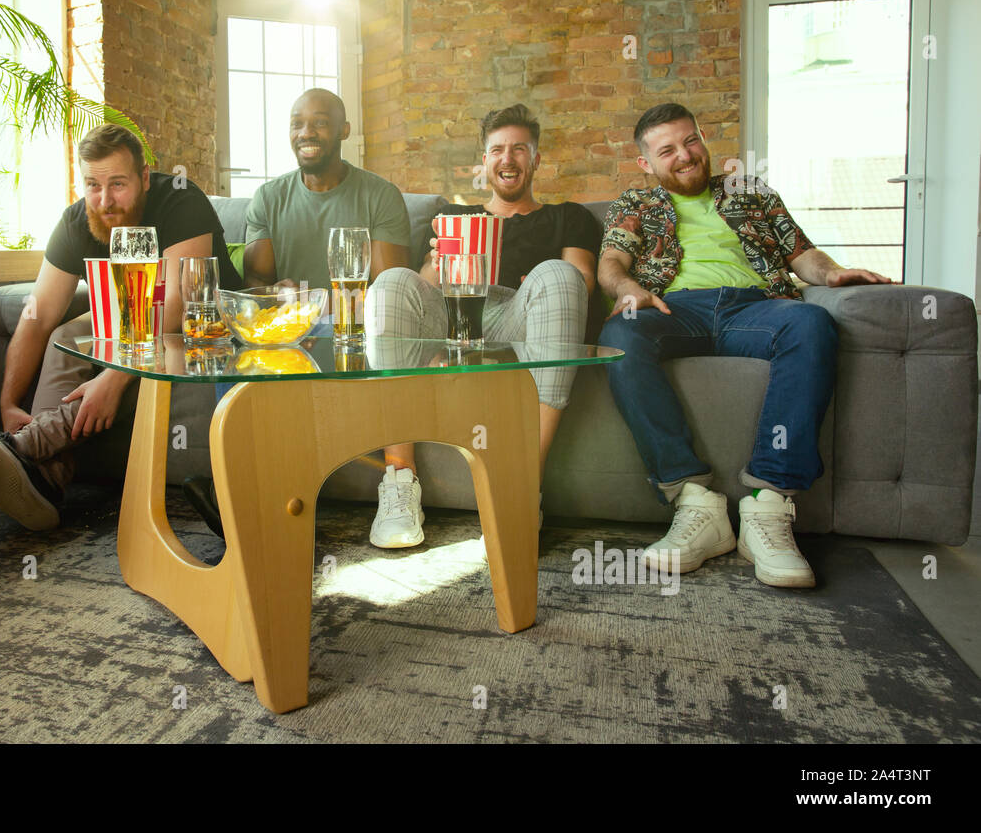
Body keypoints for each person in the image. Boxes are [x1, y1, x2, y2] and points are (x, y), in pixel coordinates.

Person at [597, 102, 891, 587]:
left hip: (754, 307)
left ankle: (768, 507)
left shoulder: (749, 191)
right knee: (619, 334)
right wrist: (627, 290)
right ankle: (695, 503)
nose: (685, 156)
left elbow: (801, 253)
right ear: (646, 164)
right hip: (676, 309)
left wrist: (833, 272)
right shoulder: (635, 204)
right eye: (667, 150)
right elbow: (611, 262)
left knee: (811, 323)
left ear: (703, 138)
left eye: (690, 141)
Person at [0, 123, 241, 530]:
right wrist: (8, 404)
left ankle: (28, 450)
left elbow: (175, 307)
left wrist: (113, 380)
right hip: (131, 317)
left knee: (146, 332)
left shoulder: (180, 200)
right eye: (93, 185)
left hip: (205, 324)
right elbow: (39, 314)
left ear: (145, 178)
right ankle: (43, 474)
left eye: (118, 184)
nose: (104, 200)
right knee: (66, 334)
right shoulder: (77, 220)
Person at [366, 103, 599, 547]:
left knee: (560, 274)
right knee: (392, 280)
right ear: (484, 162)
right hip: (457, 313)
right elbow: (422, 292)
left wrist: (545, 280)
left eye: (518, 149)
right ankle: (398, 484)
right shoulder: (458, 217)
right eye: (497, 150)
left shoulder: (569, 216)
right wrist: (442, 259)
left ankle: (520, 488)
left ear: (535, 160)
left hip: (524, 316)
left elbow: (582, 281)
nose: (507, 159)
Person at [181, 88, 412, 534]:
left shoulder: (380, 195)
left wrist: (316, 308)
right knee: (231, 337)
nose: (306, 132)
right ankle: (236, 490)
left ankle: (241, 500)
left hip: (353, 326)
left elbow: (390, 289)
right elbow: (256, 283)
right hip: (285, 328)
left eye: (320, 122)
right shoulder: (268, 197)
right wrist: (277, 294)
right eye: (297, 123)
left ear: (344, 130)